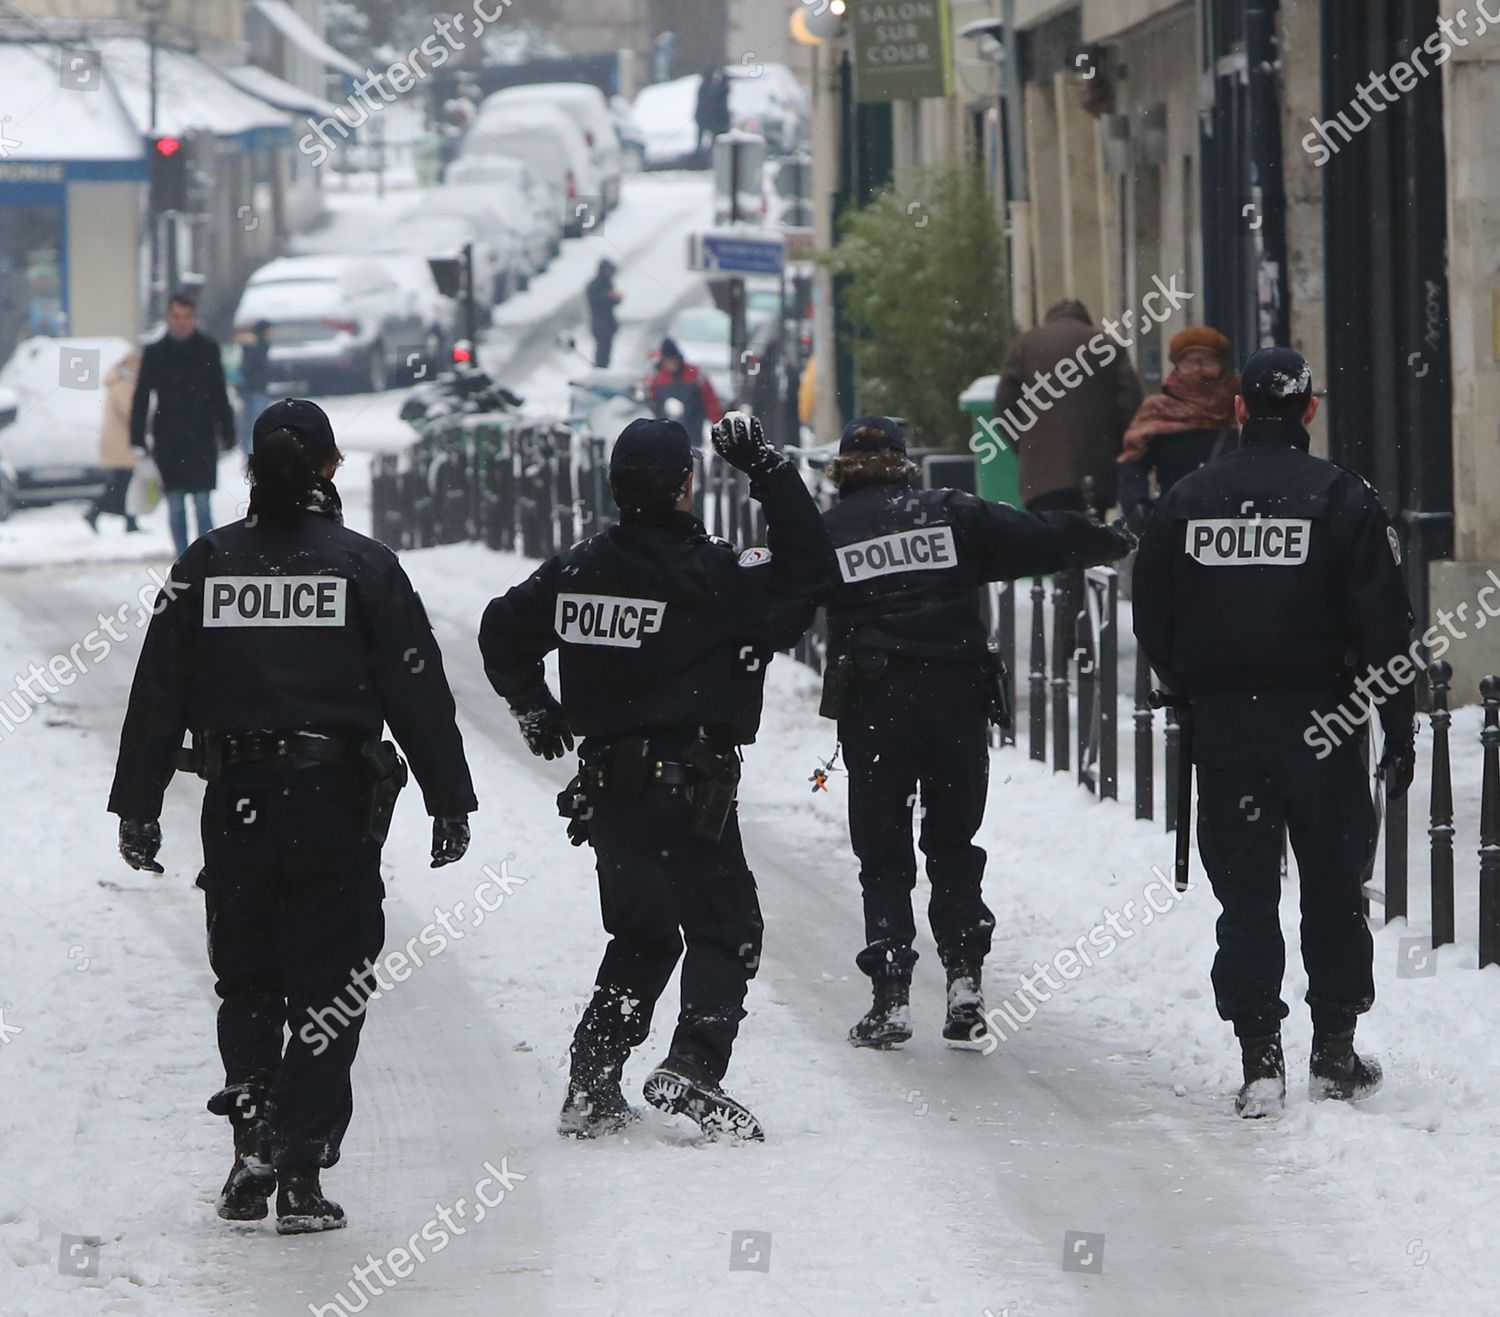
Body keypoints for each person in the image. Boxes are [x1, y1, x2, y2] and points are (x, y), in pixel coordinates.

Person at [108, 399, 477, 1232]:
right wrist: (449, 798)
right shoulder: (364, 567)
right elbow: (416, 690)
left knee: (247, 978)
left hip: (236, 804)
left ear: (249, 472)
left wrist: (138, 806)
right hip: (332, 805)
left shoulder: (206, 564)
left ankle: (252, 1144)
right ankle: (302, 1167)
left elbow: (157, 694)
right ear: (329, 471)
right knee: (330, 987)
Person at [479, 414, 836, 1142]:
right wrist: (766, 468)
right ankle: (695, 1064)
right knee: (726, 928)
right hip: (690, 787)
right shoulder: (713, 575)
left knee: (642, 934)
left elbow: (500, 630)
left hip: (610, 790)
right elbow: (811, 569)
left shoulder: (578, 571)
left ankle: (591, 1078)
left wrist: (535, 709)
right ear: (685, 484)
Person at [1131, 348, 1415, 1119]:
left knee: (1247, 897)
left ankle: (1261, 1058)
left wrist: (1185, 686)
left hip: (1227, 727)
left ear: (1239, 410)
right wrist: (1398, 724)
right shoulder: (1341, 496)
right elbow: (1387, 623)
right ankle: (1333, 1050)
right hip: (1323, 721)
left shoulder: (1191, 497)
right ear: (1309, 411)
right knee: (1332, 888)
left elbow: (1150, 608)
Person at [815, 417, 1134, 1048]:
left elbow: (771, 606)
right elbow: (1036, 535)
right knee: (953, 843)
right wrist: (1105, 538)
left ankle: (891, 996)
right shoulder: (952, 513)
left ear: (844, 468)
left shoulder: (828, 533)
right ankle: (964, 985)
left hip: (877, 701)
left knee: (883, 854)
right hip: (957, 695)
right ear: (905, 462)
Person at [993, 299, 1143, 515]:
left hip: (1042, 477)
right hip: (1095, 469)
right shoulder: (1106, 344)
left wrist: (1024, 444)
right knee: (1091, 539)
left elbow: (1004, 405)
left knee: (1050, 539)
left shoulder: (1024, 345)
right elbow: (1130, 402)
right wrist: (1115, 448)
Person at [130, 291, 237, 557]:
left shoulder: (208, 350)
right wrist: (137, 438)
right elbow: (142, 397)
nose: (181, 322)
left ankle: (206, 560)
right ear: (168, 318)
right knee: (175, 506)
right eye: (176, 316)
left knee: (202, 506)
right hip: (169, 441)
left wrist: (228, 430)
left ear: (194, 318)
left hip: (201, 439)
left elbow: (219, 394)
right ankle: (183, 560)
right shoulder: (155, 353)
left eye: (186, 317)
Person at [1117, 326, 1240, 533]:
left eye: (1207, 361)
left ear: (1221, 365)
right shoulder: (1158, 410)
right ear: (1177, 366)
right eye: (1190, 362)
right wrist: (1137, 505)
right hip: (1176, 520)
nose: (1198, 370)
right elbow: (1133, 464)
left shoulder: (1239, 405)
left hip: (1233, 520)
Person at [85, 350, 143, 534]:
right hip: (122, 445)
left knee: (123, 485)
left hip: (121, 443)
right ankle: (95, 511)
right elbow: (131, 412)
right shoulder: (124, 384)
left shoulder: (121, 382)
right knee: (123, 484)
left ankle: (127, 520)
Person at [646, 337, 723, 442]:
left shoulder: (695, 374)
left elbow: (710, 401)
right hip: (664, 432)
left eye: (673, 360)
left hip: (693, 431)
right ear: (663, 361)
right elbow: (652, 400)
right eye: (668, 361)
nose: (671, 365)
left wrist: (717, 423)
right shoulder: (656, 378)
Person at [237, 320, 274, 457]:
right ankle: (252, 453)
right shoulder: (255, 346)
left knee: (253, 423)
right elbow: (250, 368)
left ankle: (252, 452)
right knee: (255, 423)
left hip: (254, 389)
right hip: (254, 390)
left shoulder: (258, 345)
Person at [585, 260, 622, 368]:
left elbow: (613, 302)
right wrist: (608, 297)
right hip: (599, 323)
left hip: (609, 323)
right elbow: (596, 301)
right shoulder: (594, 285)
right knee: (601, 351)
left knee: (607, 351)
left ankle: (604, 369)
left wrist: (616, 298)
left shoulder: (608, 283)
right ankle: (600, 370)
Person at [695, 65, 731, 158]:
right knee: (716, 139)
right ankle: (708, 155)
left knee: (708, 138)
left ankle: (704, 155)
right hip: (716, 118)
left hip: (710, 117)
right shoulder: (718, 87)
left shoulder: (706, 87)